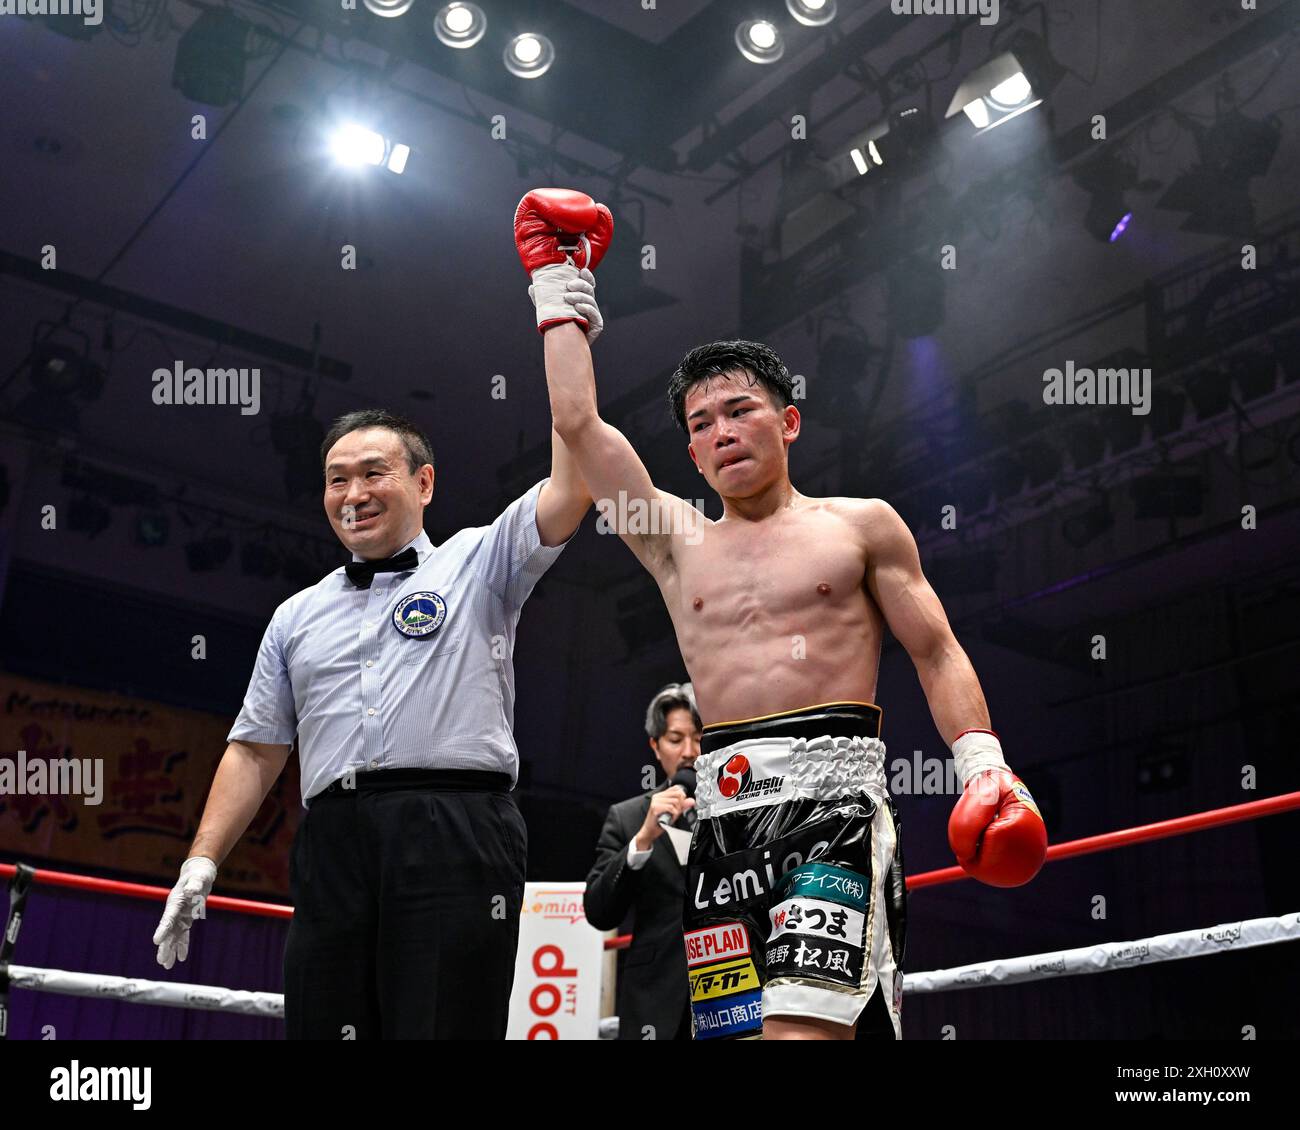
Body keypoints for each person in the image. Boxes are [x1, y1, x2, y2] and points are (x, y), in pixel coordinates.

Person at [514, 188, 1048, 1041]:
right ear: (689, 452)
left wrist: (983, 765)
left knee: (803, 1037)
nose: (722, 432)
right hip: (722, 828)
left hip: (833, 805)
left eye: (740, 410)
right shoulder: (671, 541)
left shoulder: (862, 526)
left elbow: (937, 649)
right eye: (701, 424)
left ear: (789, 420)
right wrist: (557, 289)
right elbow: (578, 423)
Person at [151, 408, 590, 1038]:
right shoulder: (295, 616)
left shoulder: (479, 561)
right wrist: (201, 862)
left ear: (424, 484)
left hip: (455, 828)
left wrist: (563, 334)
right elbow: (256, 750)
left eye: (373, 473)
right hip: (333, 840)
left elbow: (572, 489)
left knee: (445, 1024)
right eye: (336, 480)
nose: (353, 494)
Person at [585, 682, 702, 1041]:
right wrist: (642, 840)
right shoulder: (628, 817)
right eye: (675, 739)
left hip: (731, 996)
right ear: (655, 745)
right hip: (654, 1000)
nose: (689, 752)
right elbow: (599, 911)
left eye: (699, 738)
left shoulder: (738, 814)